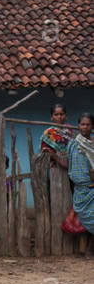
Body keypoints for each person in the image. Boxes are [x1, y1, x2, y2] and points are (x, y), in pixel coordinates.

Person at [68, 113, 94, 256]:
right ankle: (87, 249)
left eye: (88, 124)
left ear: (92, 126)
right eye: (82, 124)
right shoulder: (73, 144)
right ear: (78, 126)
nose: (85, 127)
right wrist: (54, 157)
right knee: (86, 218)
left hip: (93, 187)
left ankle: (90, 249)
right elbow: (69, 164)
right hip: (80, 189)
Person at [41, 102, 74, 173]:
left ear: (66, 116)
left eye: (62, 114)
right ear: (51, 117)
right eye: (56, 114)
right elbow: (44, 152)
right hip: (55, 167)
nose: (59, 117)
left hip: (72, 165)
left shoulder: (71, 130)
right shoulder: (48, 133)